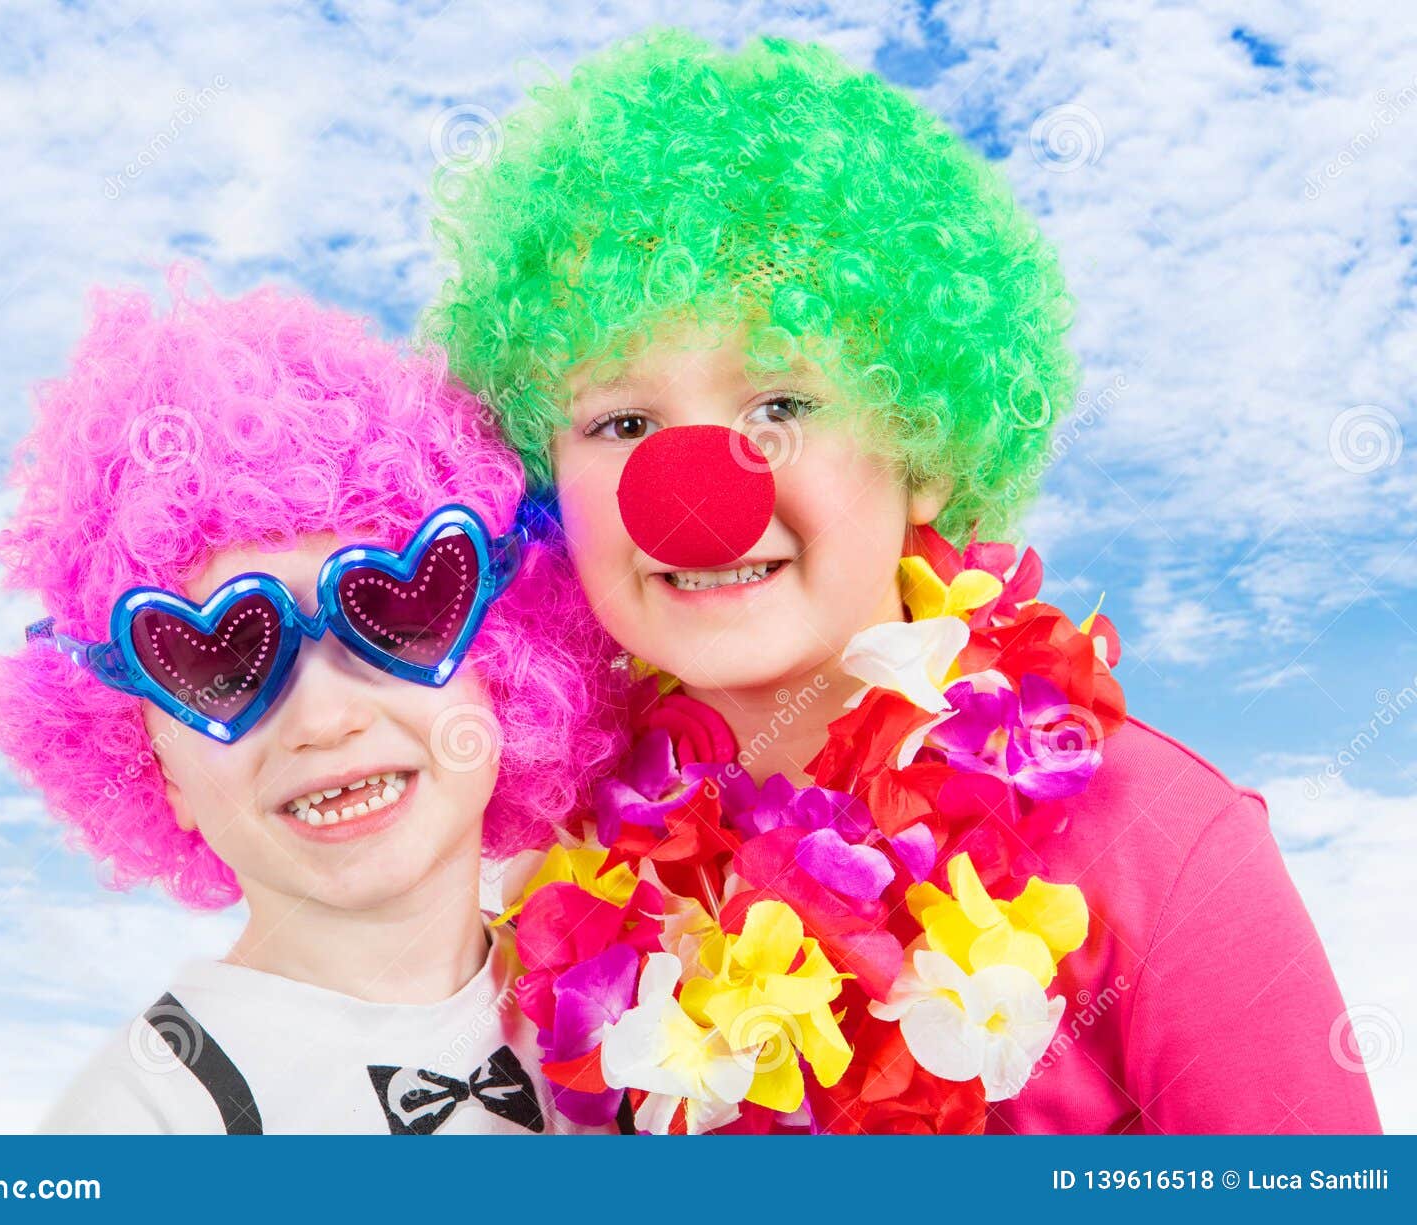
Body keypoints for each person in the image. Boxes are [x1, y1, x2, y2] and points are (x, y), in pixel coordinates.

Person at [422, 28, 1381, 1133]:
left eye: (780, 404)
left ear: (923, 450)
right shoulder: (542, 871)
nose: (691, 493)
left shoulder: (1153, 839)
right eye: (621, 421)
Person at [0, 270, 626, 1133]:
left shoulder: (628, 994)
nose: (325, 718)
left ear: (503, 662)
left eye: (395, 609)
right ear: (150, 762)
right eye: (222, 662)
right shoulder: (146, 1119)